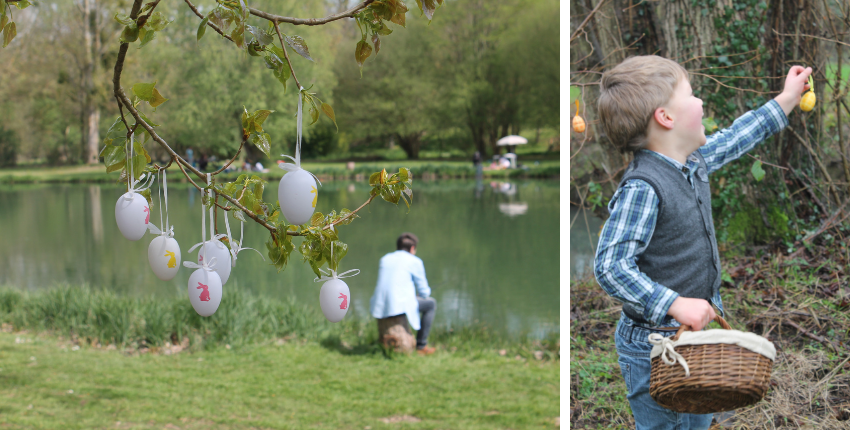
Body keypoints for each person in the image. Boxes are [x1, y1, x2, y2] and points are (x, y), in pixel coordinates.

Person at [592, 55, 811, 430]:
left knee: (696, 418)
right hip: (654, 347)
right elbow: (610, 266)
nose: (702, 102)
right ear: (666, 118)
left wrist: (787, 99)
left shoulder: (692, 161)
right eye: (692, 95)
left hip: (694, 338)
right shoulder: (644, 187)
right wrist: (674, 303)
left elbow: (737, 138)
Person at [369, 232, 437, 355]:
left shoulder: (385, 259)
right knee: (431, 304)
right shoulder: (414, 261)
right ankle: (421, 346)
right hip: (399, 305)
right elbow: (424, 292)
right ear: (412, 248)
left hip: (379, 304)